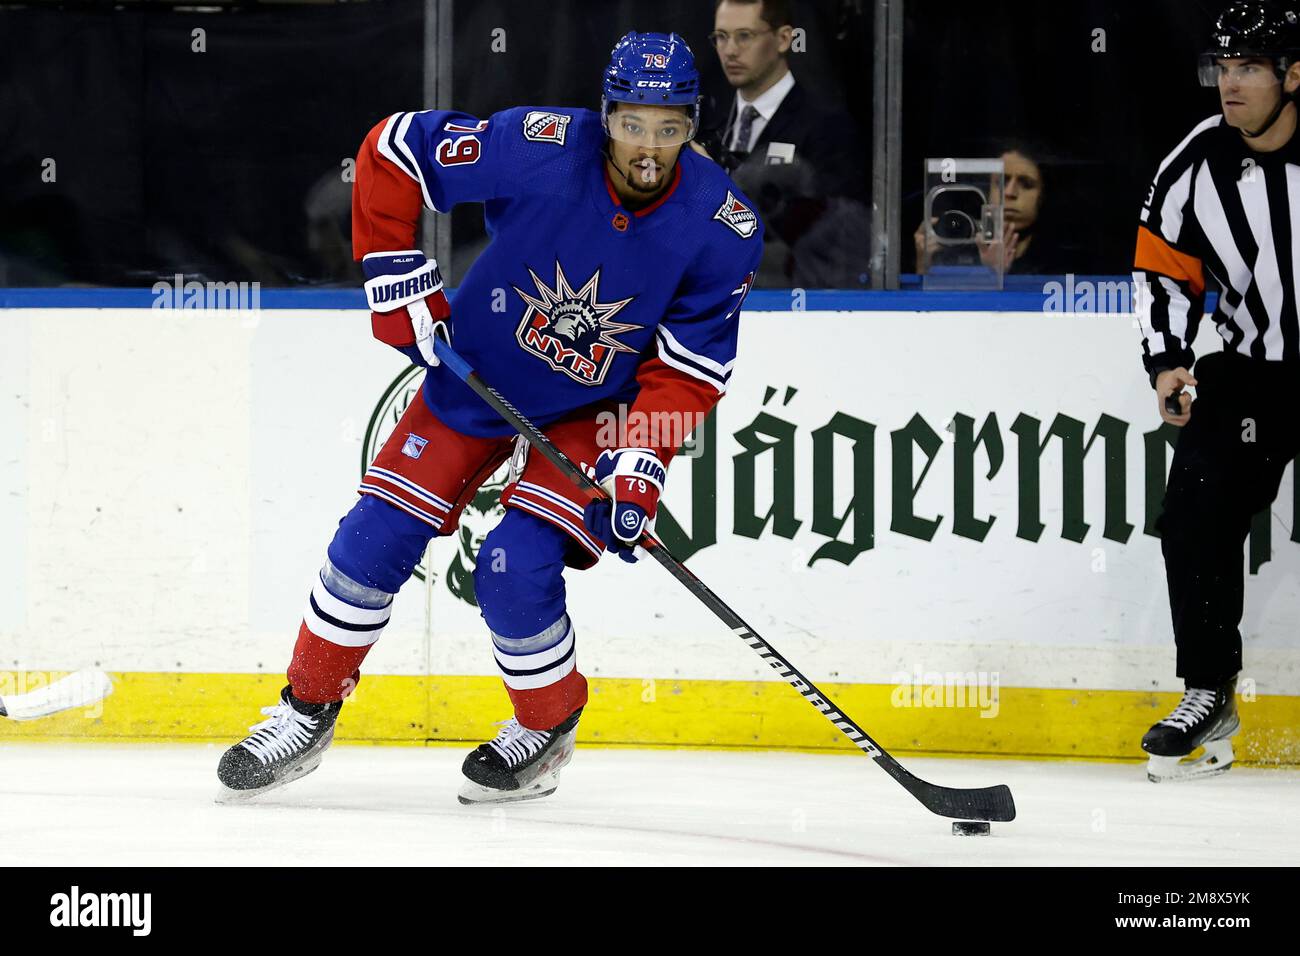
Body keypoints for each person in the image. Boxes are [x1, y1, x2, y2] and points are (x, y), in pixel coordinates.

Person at [215, 32, 762, 804]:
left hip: (590, 412)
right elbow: (395, 149)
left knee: (512, 565)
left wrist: (640, 466)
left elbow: (687, 372)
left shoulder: (723, 226)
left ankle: (544, 726)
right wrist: (393, 271)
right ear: (606, 115)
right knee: (372, 537)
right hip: (478, 372)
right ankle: (305, 712)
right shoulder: (540, 146)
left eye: (669, 128)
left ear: (692, 125)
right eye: (633, 125)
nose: (649, 148)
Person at [1134, 0, 1300, 782]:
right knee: (1194, 517)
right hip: (1251, 372)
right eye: (1222, 69)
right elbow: (1161, 262)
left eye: (1249, 70)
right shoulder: (1197, 158)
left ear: (1292, 75)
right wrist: (1167, 359)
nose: (1230, 86)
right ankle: (1210, 692)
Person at [699, 0, 869, 286]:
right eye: (721, 37)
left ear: (783, 39)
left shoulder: (827, 128)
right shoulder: (704, 120)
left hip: (790, 298)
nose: (729, 50)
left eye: (744, 36)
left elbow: (839, 240)